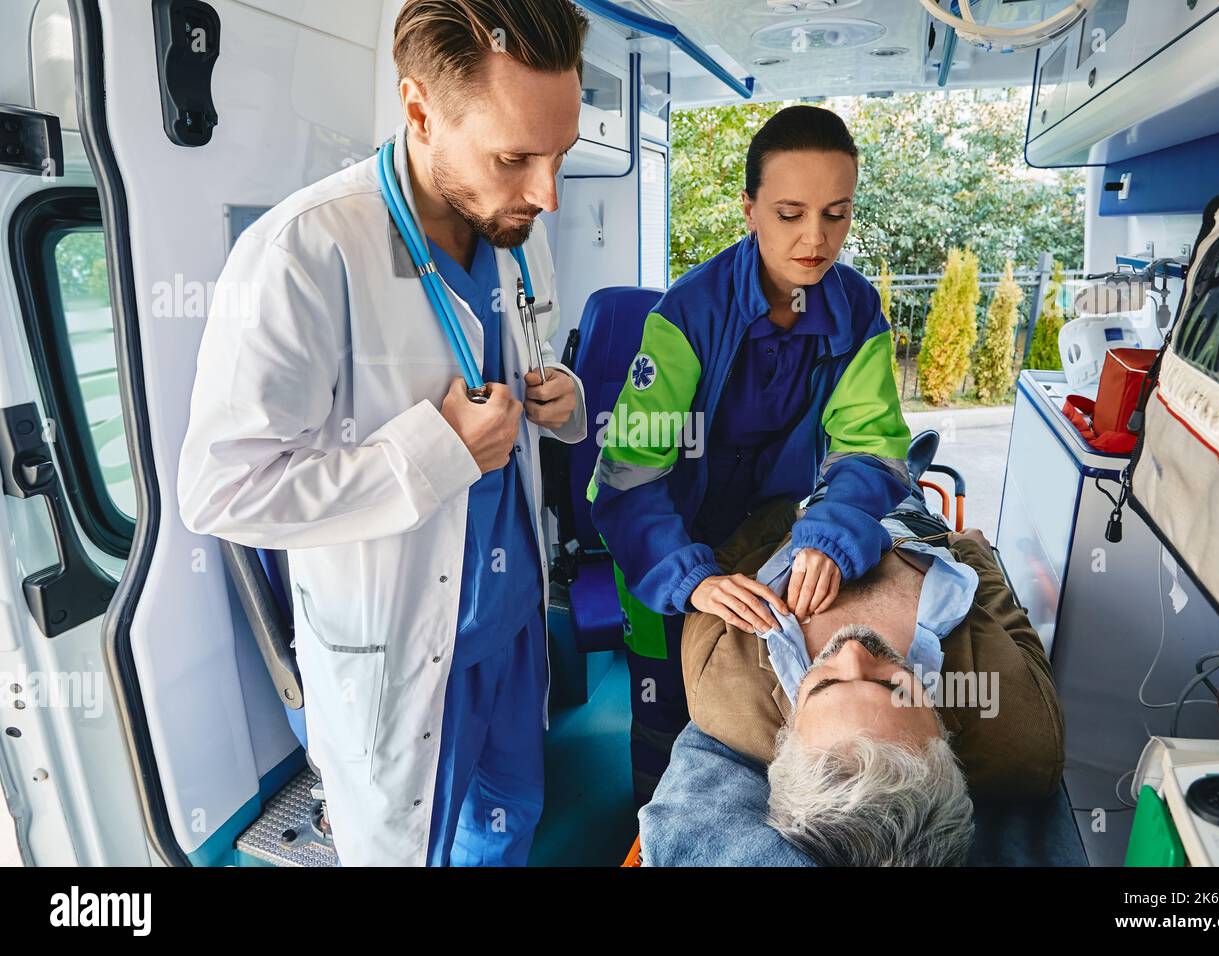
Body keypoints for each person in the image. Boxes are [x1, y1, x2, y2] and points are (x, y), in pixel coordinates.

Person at [176, 0, 590, 866]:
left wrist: (564, 399)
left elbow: (526, 360)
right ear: (417, 109)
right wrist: (435, 453)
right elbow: (220, 491)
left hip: (512, 635)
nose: (545, 194)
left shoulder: (513, 232)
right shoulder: (301, 253)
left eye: (561, 155)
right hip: (399, 656)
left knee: (503, 834)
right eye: (515, 157)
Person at [588, 105, 912, 804]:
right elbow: (631, 471)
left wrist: (828, 538)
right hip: (661, 543)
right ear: (749, 209)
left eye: (836, 213)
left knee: (752, 709)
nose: (816, 239)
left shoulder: (856, 311)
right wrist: (688, 577)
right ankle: (654, 829)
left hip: (765, 535)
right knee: (664, 708)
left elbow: (871, 445)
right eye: (790, 212)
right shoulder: (687, 312)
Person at [673, 497, 1065, 865]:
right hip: (917, 525)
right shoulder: (1026, 729)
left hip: (808, 505)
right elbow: (1007, 616)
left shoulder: (716, 681)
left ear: (788, 734)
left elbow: (724, 566)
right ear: (942, 735)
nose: (853, 650)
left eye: (824, 685)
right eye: (894, 687)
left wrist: (793, 511)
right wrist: (974, 548)